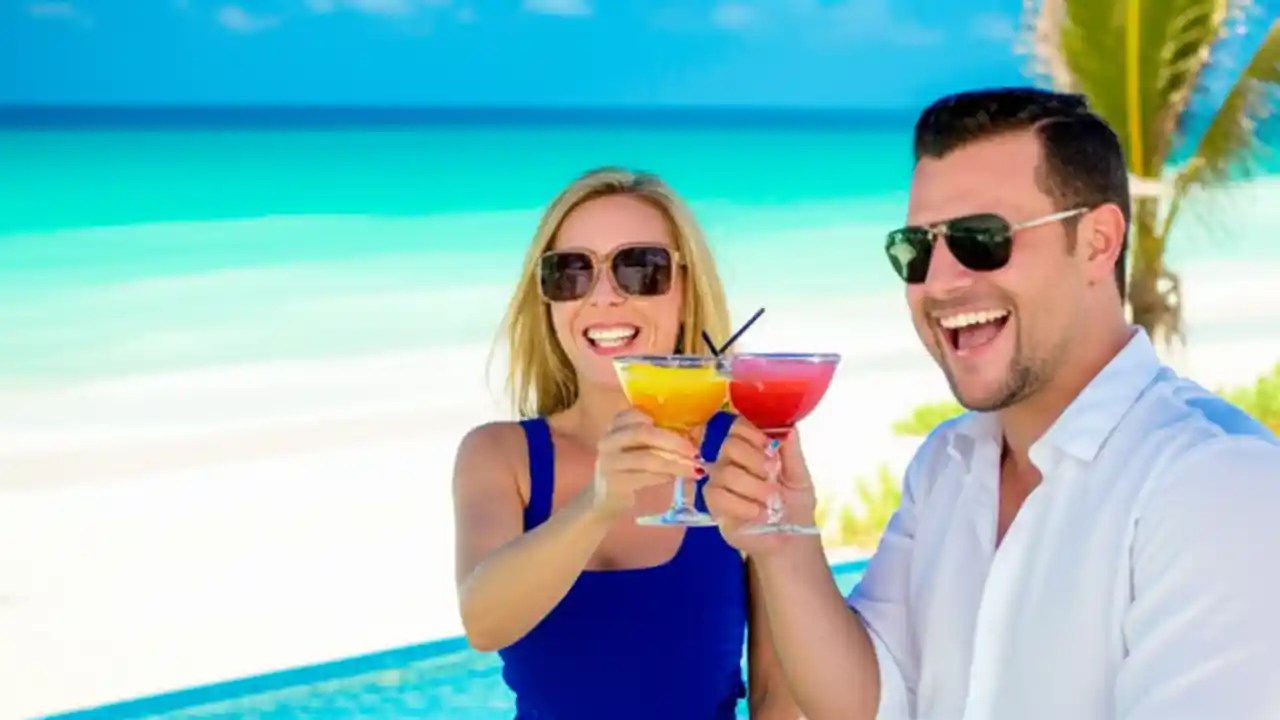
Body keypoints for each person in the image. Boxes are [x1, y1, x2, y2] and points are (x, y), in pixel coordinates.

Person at [705, 87, 1280, 719]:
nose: (941, 281)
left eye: (982, 239)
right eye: (916, 250)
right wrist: (785, 538)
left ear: (1096, 243)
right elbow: (868, 703)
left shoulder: (1214, 485)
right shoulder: (948, 463)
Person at [451, 166, 798, 719]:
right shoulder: (499, 456)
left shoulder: (741, 450)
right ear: (547, 302)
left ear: (686, 289)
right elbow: (484, 621)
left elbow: (779, 692)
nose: (604, 297)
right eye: (570, 272)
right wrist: (598, 504)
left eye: (640, 268)